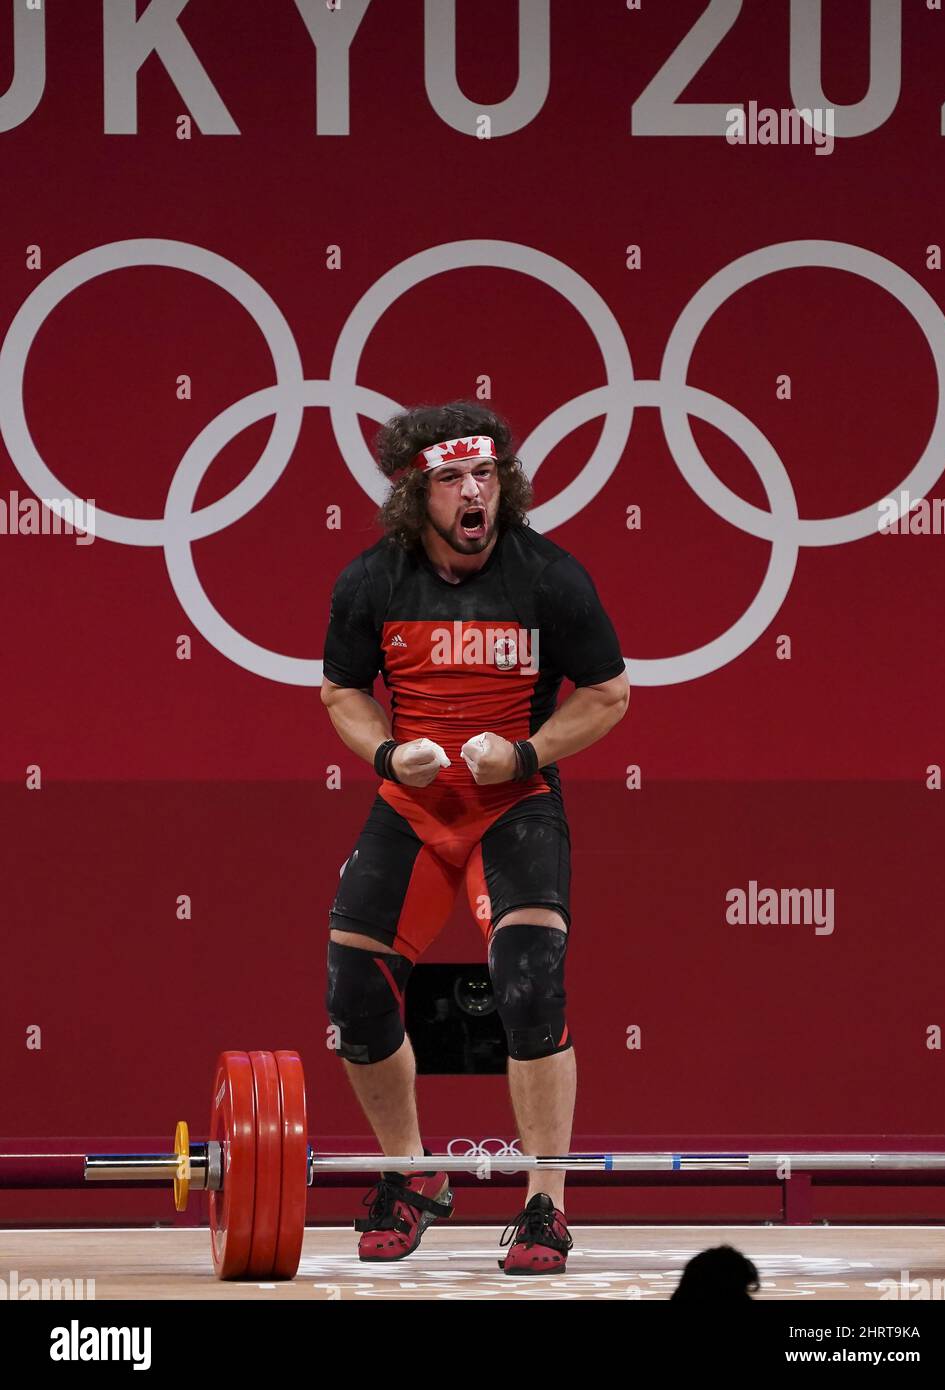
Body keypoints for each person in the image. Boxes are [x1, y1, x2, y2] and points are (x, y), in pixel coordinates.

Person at [320, 400, 629, 1274]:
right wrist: (386, 747)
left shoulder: (550, 577)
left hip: (513, 805)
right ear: (416, 495)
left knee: (529, 983)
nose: (473, 493)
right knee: (354, 991)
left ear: (506, 485)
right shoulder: (370, 581)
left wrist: (526, 750)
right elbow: (340, 693)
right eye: (452, 477)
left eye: (486, 475)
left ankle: (545, 1205)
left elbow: (608, 694)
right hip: (413, 809)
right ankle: (415, 1177)